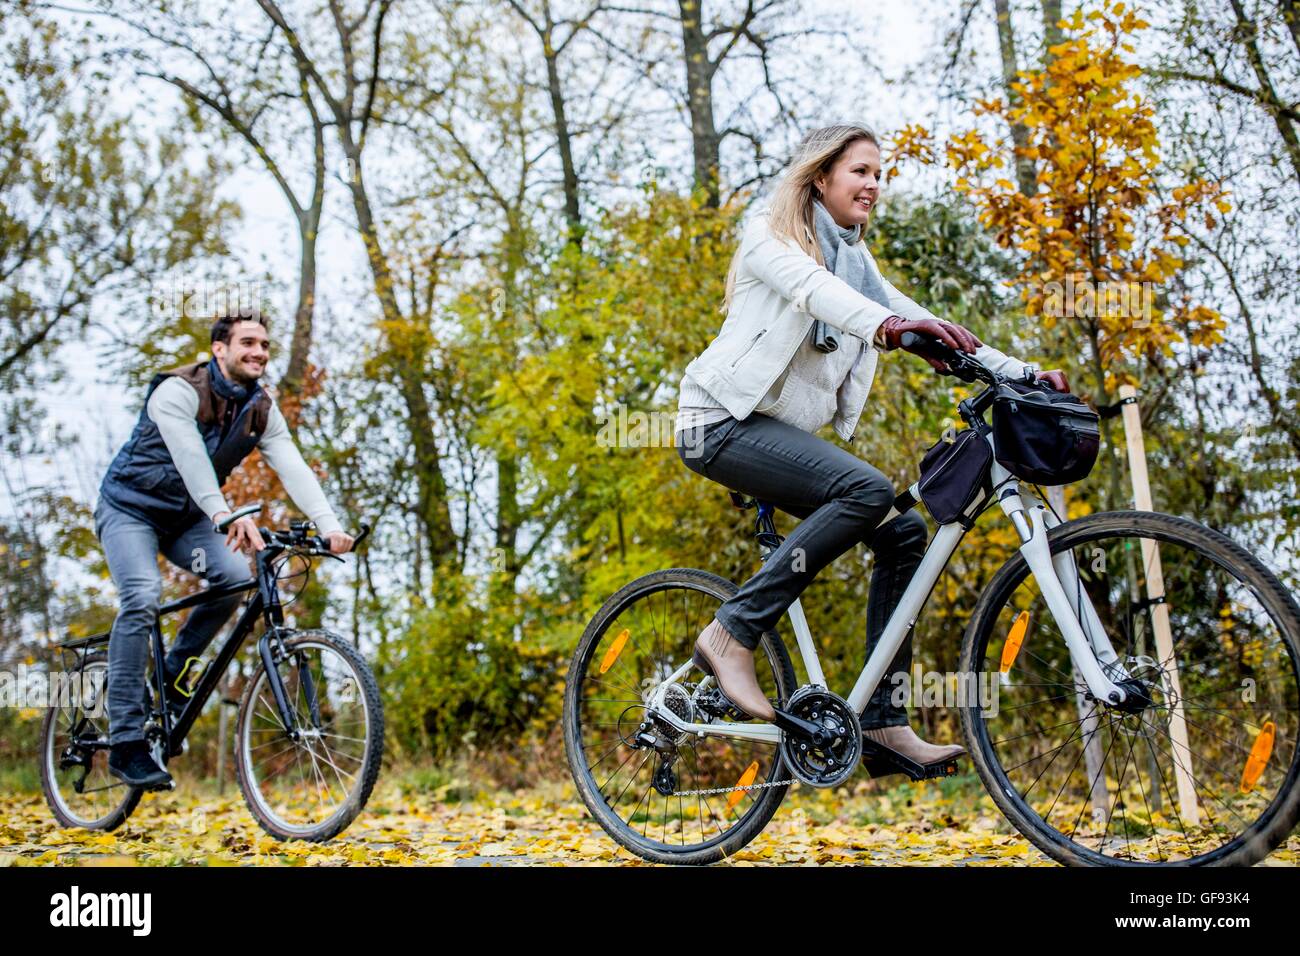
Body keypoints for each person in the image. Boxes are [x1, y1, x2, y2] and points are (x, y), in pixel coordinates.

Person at [675, 123, 1069, 767]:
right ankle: (731, 632)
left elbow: (909, 310)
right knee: (865, 489)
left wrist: (1019, 373)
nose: (874, 186)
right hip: (716, 423)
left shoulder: (855, 259)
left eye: (879, 174)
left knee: (902, 533)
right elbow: (816, 292)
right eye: (860, 171)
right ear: (820, 176)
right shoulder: (768, 237)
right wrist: (888, 327)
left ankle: (882, 725)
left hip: (775, 435)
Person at [95, 309, 354, 790]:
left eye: (265, 345)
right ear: (220, 349)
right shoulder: (176, 391)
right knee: (142, 596)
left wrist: (330, 526)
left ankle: (171, 676)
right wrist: (223, 513)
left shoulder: (260, 408)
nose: (259, 352)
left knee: (237, 577)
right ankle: (127, 740)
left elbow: (292, 466)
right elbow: (191, 458)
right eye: (248, 343)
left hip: (188, 518)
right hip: (131, 509)